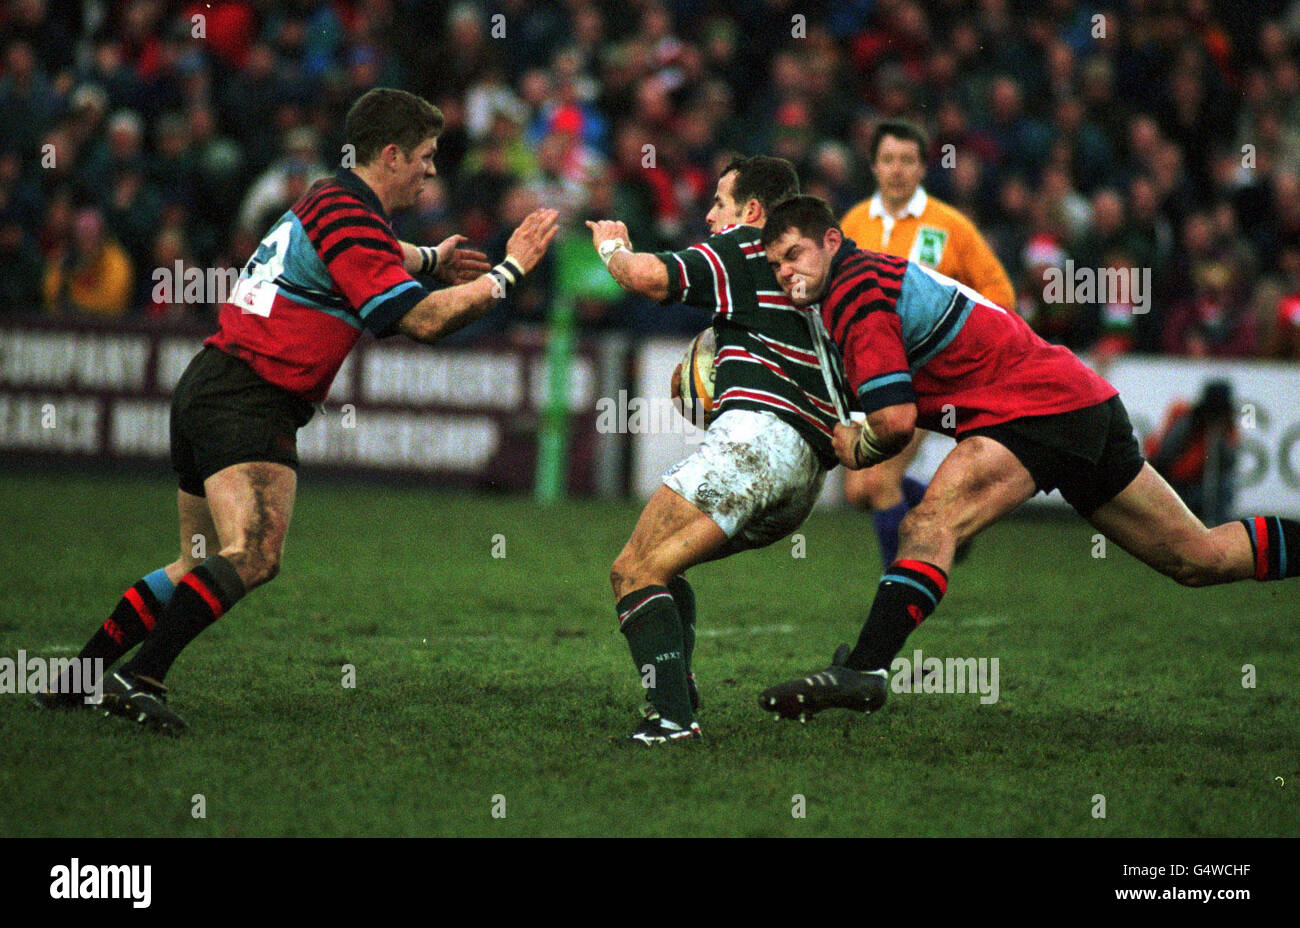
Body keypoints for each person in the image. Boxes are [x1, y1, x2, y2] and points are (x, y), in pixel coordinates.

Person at [35, 87, 559, 733]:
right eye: (424, 156)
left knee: (199, 562)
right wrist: (510, 271)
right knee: (254, 552)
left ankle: (76, 681)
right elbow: (418, 320)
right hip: (250, 396)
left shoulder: (330, 199)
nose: (431, 169)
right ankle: (139, 676)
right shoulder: (351, 216)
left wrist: (429, 258)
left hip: (213, 384)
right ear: (391, 155)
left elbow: (360, 256)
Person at [756, 196, 1300, 720]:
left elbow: (894, 423)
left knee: (930, 523)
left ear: (832, 242)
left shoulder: (855, 290)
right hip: (1078, 401)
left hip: (1029, 408)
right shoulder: (858, 284)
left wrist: (860, 445)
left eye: (794, 254)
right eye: (776, 263)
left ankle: (866, 669)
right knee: (1197, 559)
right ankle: (866, 668)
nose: (785, 272)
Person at [586, 156, 850, 745]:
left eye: (720, 203)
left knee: (632, 572)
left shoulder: (748, 246)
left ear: (753, 212)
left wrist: (612, 246)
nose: (709, 216)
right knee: (661, 566)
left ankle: (672, 718)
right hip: (805, 475)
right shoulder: (824, 265)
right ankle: (679, 692)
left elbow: (649, 279)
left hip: (755, 441)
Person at [840, 120, 1015, 569]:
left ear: (922, 168)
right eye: (888, 159)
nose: (897, 169)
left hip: (922, 374)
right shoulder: (854, 223)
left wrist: (954, 344)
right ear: (874, 166)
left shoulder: (950, 225)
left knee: (880, 481)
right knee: (859, 490)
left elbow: (1000, 295)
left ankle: (897, 588)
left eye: (907, 160)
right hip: (869, 374)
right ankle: (950, 524)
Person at [1146, 380, 1240, 526]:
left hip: (1202, 487)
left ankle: (1217, 525)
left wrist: (1220, 437)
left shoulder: (1226, 427)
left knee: (1226, 485)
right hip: (1178, 484)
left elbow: (1230, 462)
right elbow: (1164, 456)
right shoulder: (1187, 420)